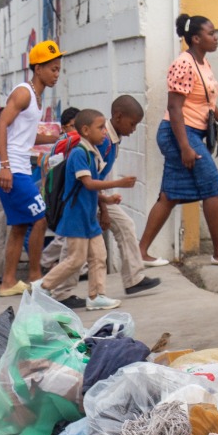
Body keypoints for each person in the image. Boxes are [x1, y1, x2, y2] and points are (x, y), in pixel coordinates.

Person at [139, 13, 218, 267]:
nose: (216, 38)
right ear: (196, 38)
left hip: (189, 132)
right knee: (213, 187)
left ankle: (139, 251)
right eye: (210, 33)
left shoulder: (202, 63)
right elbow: (175, 108)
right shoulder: (184, 64)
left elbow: (203, 101)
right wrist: (184, 146)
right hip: (179, 134)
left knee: (170, 195)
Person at [32, 109, 130, 311]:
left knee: (99, 256)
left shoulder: (92, 153)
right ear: (85, 130)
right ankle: (43, 286)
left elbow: (89, 189)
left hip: (88, 216)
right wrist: (120, 182)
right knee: (76, 260)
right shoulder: (79, 153)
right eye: (100, 127)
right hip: (76, 216)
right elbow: (88, 184)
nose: (105, 132)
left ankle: (96, 295)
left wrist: (107, 200)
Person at [0, 39, 63, 296]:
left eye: (58, 68)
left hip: (17, 164)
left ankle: (8, 282)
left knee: (20, 226)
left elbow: (24, 137)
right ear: (38, 69)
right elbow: (0, 126)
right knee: (40, 218)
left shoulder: (37, 97)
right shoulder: (23, 93)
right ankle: (35, 276)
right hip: (12, 168)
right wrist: (5, 167)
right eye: (52, 68)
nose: (56, 74)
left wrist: (56, 139)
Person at [99, 95, 160, 296]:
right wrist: (104, 208)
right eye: (132, 124)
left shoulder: (113, 139)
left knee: (125, 225)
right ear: (118, 117)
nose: (133, 130)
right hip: (91, 197)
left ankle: (134, 279)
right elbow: (91, 178)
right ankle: (52, 288)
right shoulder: (103, 140)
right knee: (76, 247)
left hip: (98, 196)